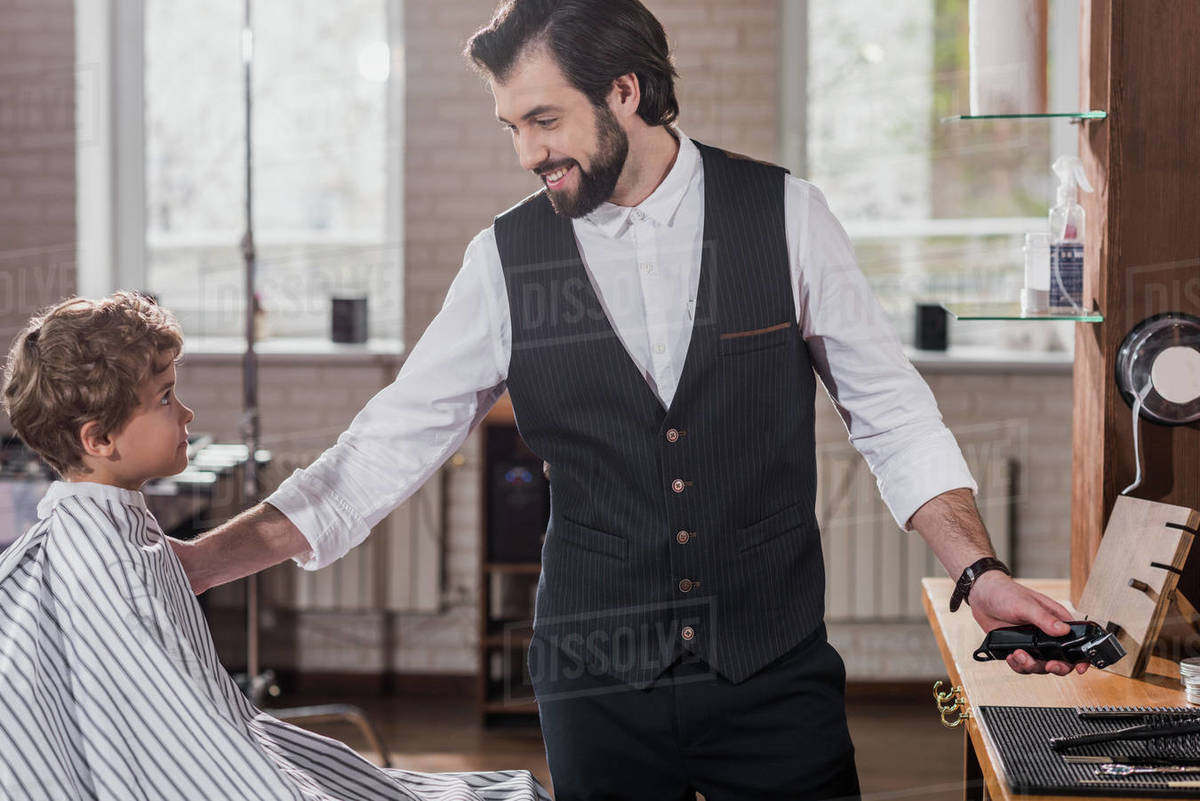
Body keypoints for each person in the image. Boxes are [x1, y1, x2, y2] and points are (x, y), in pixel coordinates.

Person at [173, 2, 1089, 799]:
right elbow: (381, 450)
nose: (531, 153)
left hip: (772, 668)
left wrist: (977, 573)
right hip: (593, 678)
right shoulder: (504, 260)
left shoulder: (785, 215)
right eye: (511, 129)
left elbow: (890, 411)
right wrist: (198, 563)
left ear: (624, 91)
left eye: (544, 119)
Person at [0, 292, 550, 801]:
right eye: (166, 397)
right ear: (98, 439)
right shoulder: (117, 571)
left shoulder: (86, 540)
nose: (187, 413)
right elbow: (195, 749)